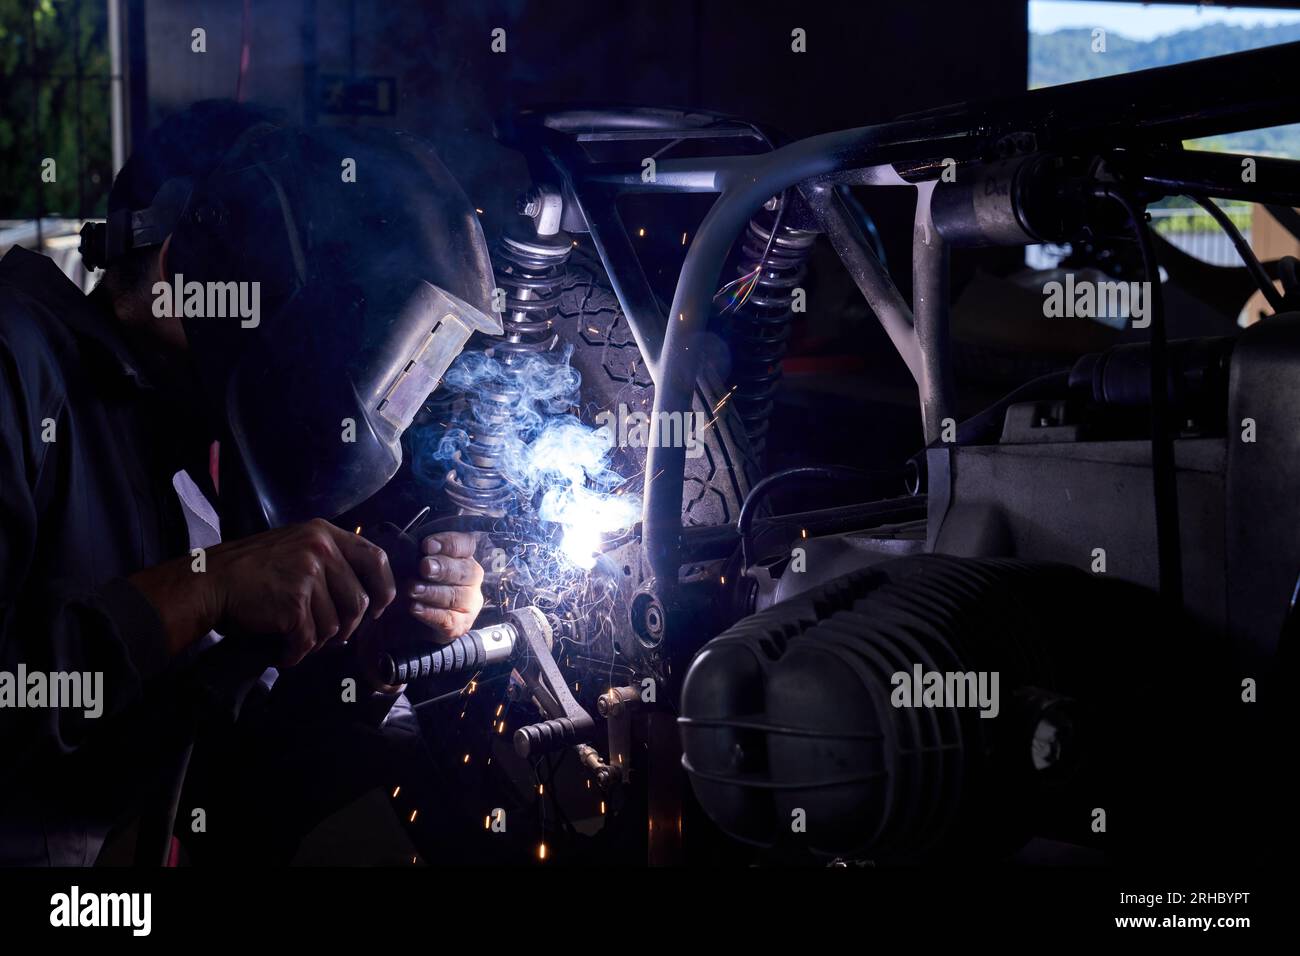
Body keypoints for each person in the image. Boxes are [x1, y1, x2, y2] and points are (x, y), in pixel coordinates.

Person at [0, 100, 496, 865]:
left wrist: (375, 659)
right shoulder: (15, 364)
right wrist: (203, 589)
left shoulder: (183, 465)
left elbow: (223, 802)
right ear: (183, 268)